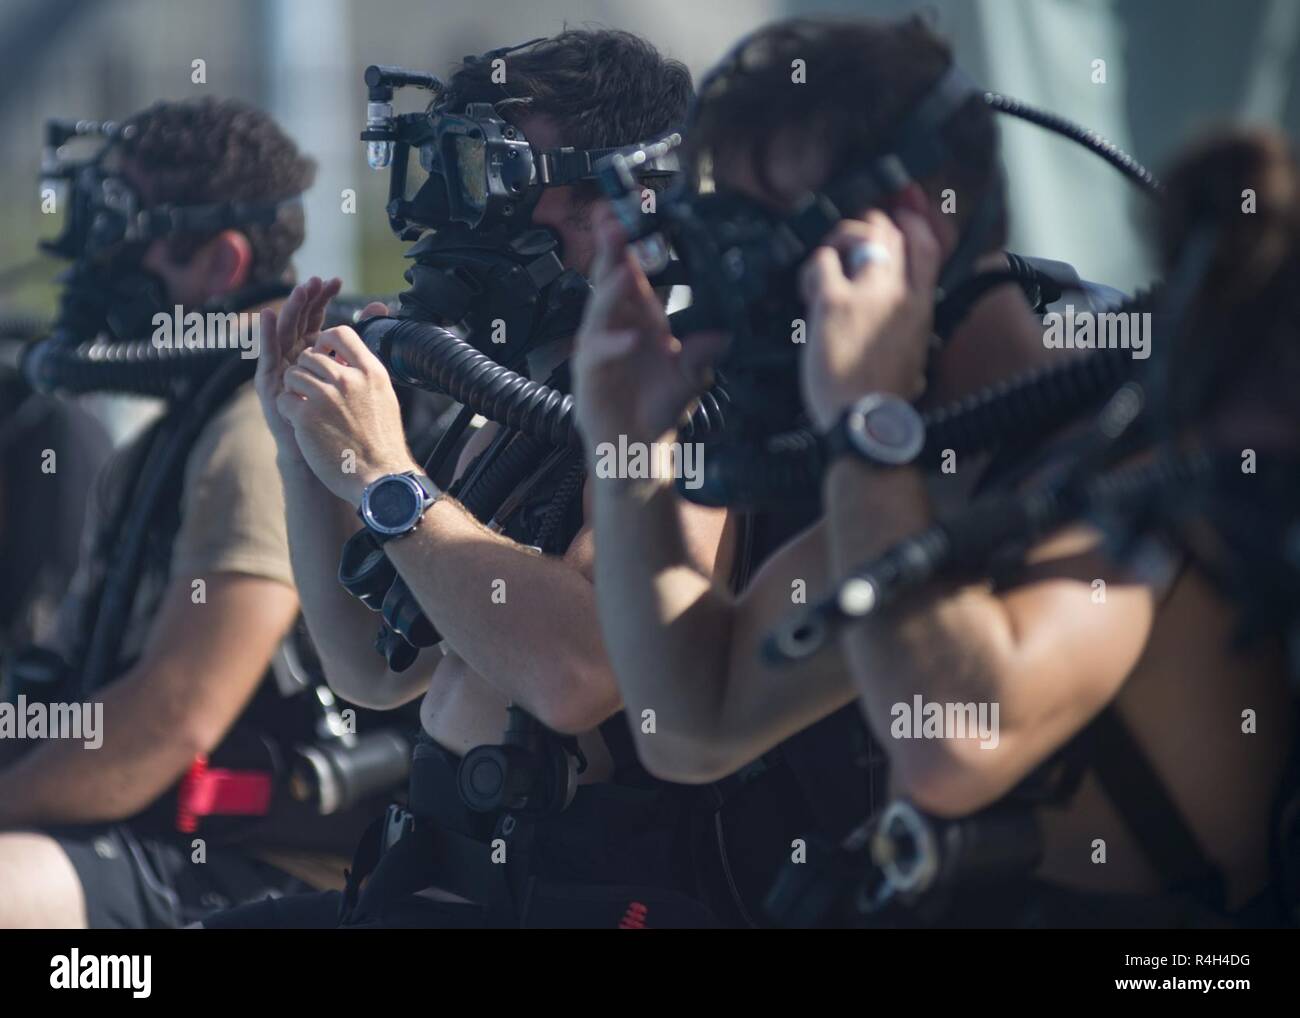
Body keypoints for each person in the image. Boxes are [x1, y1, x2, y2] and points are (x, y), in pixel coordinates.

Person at [236, 30, 731, 928]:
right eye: (449, 173)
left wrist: (387, 474)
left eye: (496, 178)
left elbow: (580, 671)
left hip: (577, 892)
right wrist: (305, 454)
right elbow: (374, 671)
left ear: (629, 200)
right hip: (442, 870)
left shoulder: (683, 402)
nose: (457, 216)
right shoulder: (524, 405)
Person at [0, 98, 353, 929]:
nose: (93, 262)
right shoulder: (165, 444)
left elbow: (173, 714)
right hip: (140, 838)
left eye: (123, 231)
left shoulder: (256, 439)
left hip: (253, 872)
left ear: (221, 263)